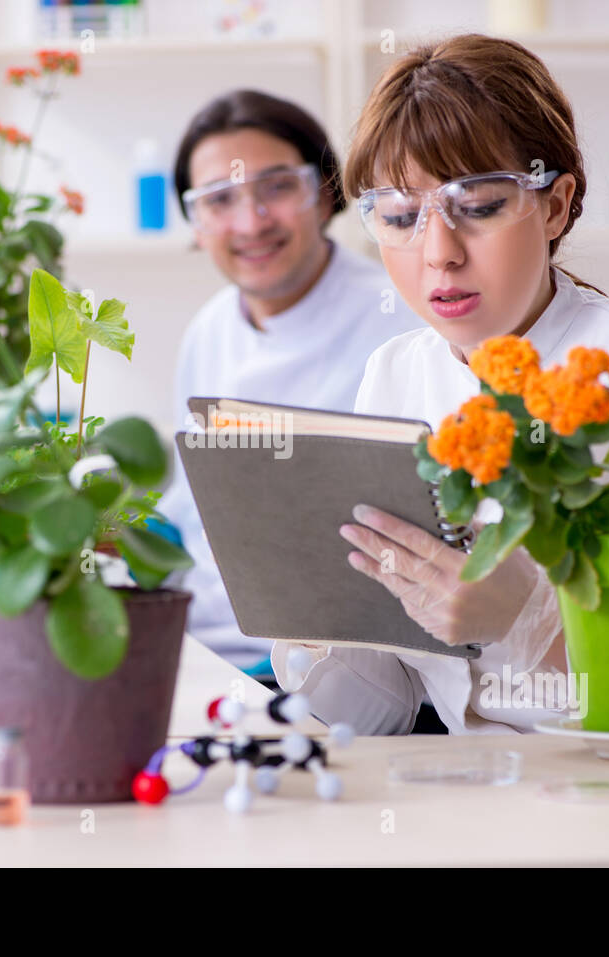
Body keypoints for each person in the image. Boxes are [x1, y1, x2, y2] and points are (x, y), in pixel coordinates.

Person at [270, 34, 609, 734]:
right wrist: (309, 619)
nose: (438, 253)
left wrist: (538, 623)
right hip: (466, 803)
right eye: (401, 217)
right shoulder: (397, 376)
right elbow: (388, 711)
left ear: (555, 206)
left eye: (480, 205)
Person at [156, 90, 424, 678]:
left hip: (337, 666)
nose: (251, 222)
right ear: (196, 223)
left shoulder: (399, 320)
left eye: (277, 187)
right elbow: (186, 513)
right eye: (219, 200)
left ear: (324, 192)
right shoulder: (208, 330)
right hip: (197, 647)